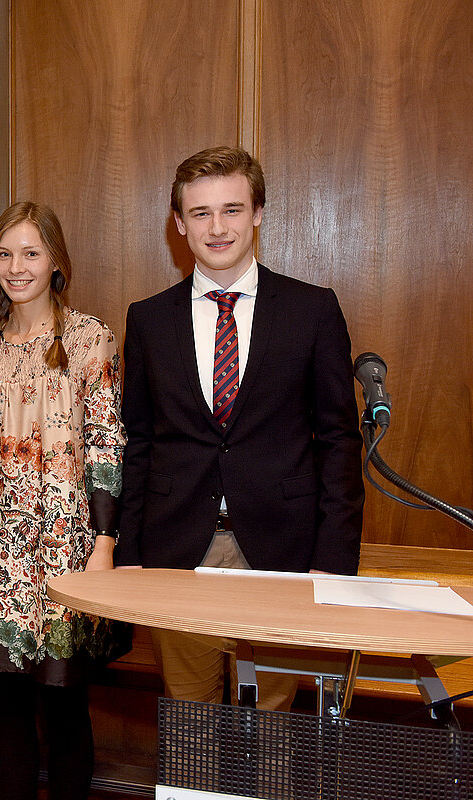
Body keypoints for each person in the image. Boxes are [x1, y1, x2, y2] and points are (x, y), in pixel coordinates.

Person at [115, 146, 364, 710]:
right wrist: (130, 556)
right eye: (200, 213)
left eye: (232, 209)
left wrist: (333, 561)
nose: (217, 227)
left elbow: (339, 442)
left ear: (257, 214)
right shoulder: (148, 319)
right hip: (178, 552)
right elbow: (140, 443)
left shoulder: (313, 310)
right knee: (189, 726)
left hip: (284, 554)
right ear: (178, 224)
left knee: (274, 730)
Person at [0, 202, 130, 800]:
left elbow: (107, 447)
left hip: (65, 554)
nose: (16, 267)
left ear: (56, 261)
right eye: (5, 254)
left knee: (65, 705)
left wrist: (104, 547)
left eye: (31, 253)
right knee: (9, 707)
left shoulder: (89, 339)